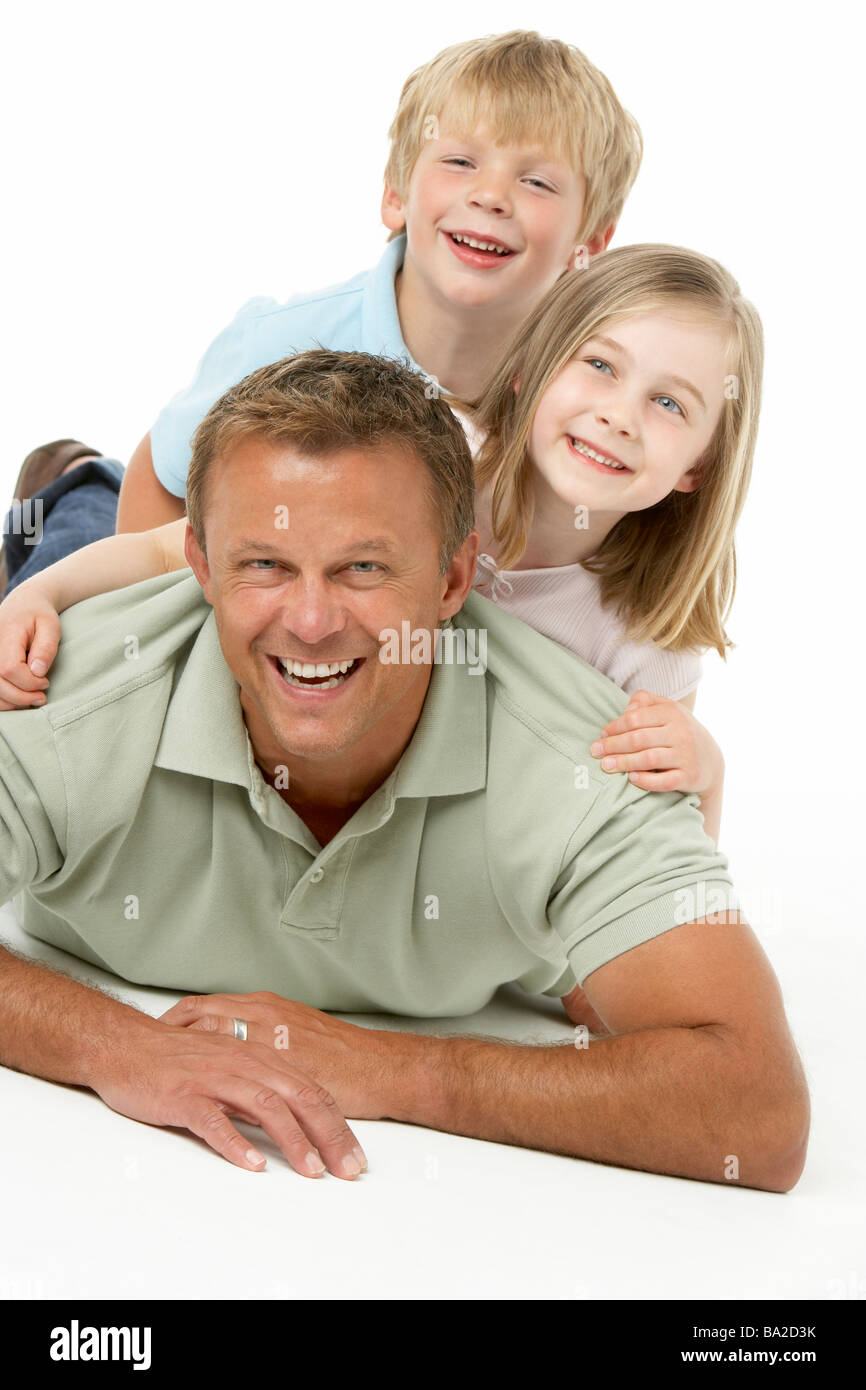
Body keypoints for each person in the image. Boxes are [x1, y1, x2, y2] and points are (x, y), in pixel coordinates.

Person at [0, 350, 809, 1191]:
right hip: (99, 585)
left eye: (364, 568)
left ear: (457, 577)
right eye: (265, 564)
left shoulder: (587, 755)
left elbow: (758, 1111)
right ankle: (80, 485)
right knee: (64, 546)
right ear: (201, 566)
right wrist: (116, 1047)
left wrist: (396, 1070)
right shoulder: (71, 687)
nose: (311, 623)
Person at [0, 244, 759, 857]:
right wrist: (37, 596)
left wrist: (710, 770)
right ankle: (79, 485)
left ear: (697, 464)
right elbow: (168, 555)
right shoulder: (427, 465)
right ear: (528, 371)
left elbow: (666, 867)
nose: (620, 416)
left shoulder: (644, 636)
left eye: (668, 404)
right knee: (98, 570)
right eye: (599, 365)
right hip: (184, 568)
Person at [0, 27, 639, 575]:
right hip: (200, 552)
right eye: (460, 161)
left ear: (590, 243)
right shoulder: (283, 342)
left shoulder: (582, 396)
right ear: (395, 194)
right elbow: (165, 477)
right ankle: (78, 485)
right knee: (64, 604)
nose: (492, 195)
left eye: (535, 181)